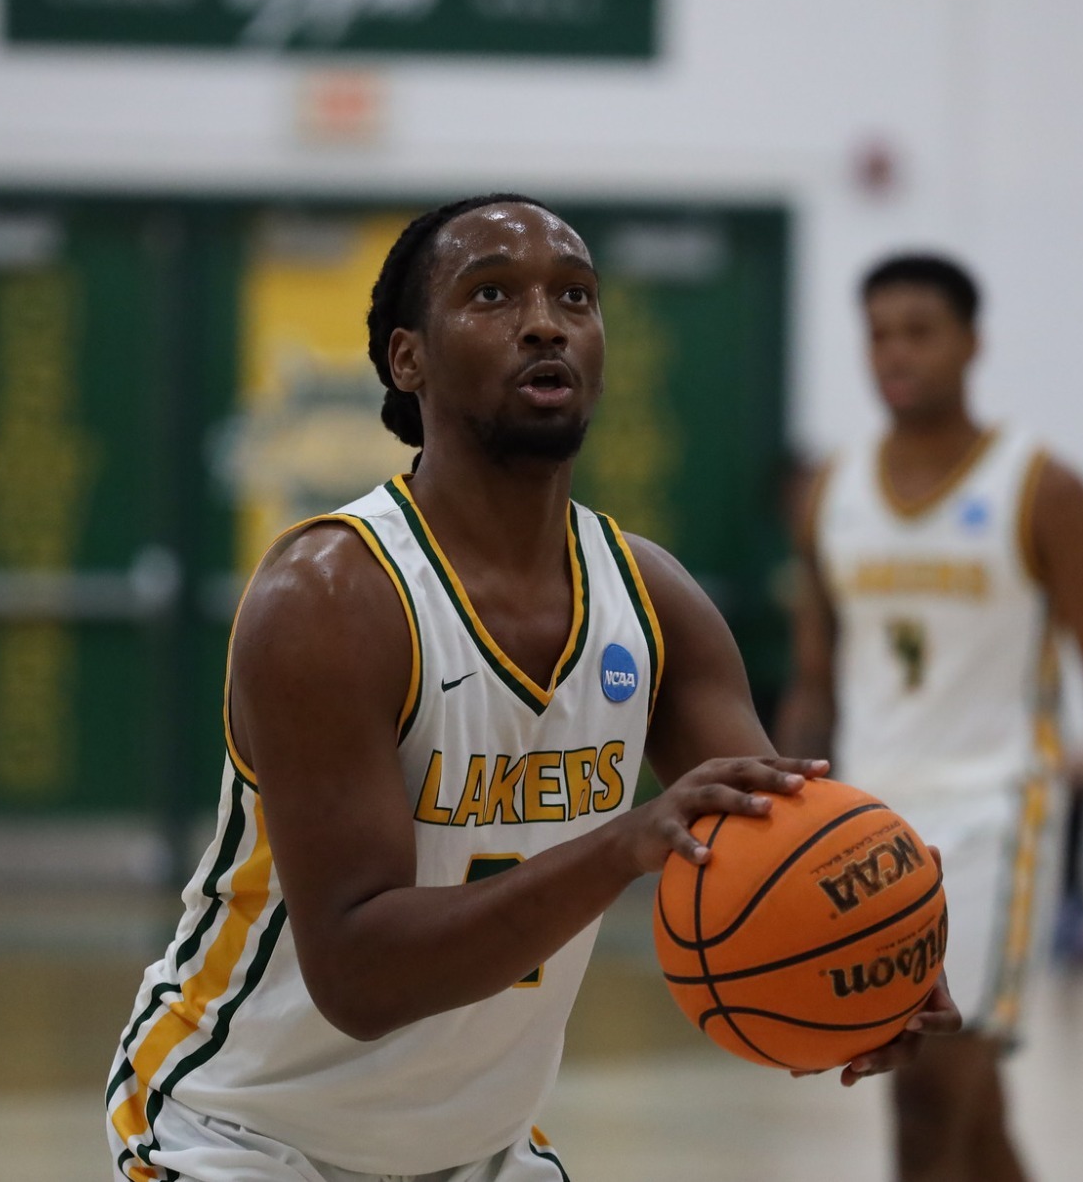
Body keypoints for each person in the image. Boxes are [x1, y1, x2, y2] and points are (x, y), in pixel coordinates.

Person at [105, 196, 959, 1182]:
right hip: (238, 1132)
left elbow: (774, 839)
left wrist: (875, 944)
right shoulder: (331, 597)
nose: (546, 322)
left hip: (479, 1148)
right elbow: (360, 974)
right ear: (407, 359)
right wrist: (623, 845)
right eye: (492, 294)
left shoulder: (651, 600)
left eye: (576, 296)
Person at [777, 253, 1083, 1182]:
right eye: (879, 333)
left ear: (972, 343)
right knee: (976, 1117)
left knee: (925, 1090)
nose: (896, 352)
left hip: (996, 815)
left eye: (920, 331)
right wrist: (788, 832)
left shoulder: (1043, 488)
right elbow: (816, 682)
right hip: (869, 823)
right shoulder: (830, 490)